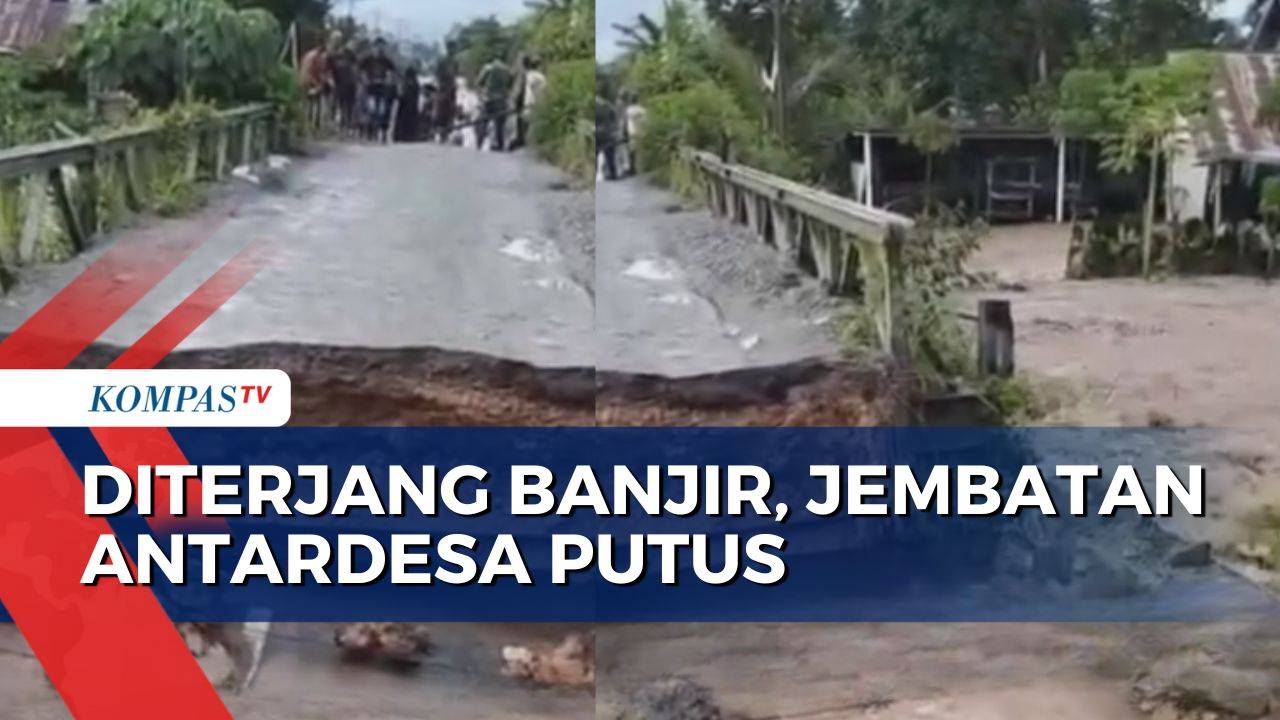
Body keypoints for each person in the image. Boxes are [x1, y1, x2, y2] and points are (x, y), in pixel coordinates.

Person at [359, 38, 398, 142]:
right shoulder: (367, 59)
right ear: (373, 47)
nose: (379, 49)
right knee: (371, 110)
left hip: (382, 88)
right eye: (377, 46)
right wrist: (366, 80)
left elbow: (392, 72)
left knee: (383, 110)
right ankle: (369, 132)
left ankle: (383, 132)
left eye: (381, 46)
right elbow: (361, 71)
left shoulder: (387, 61)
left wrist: (388, 80)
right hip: (370, 88)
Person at [476, 55, 513, 151]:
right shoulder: (507, 70)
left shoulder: (488, 67)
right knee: (500, 125)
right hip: (501, 100)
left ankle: (479, 144)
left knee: (483, 122)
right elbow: (510, 86)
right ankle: (500, 146)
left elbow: (479, 82)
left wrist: (481, 94)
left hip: (489, 99)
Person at [511, 55, 547, 151]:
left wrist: (516, 104)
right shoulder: (543, 78)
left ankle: (520, 143)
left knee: (522, 127)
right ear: (539, 66)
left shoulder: (526, 76)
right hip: (539, 106)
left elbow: (520, 91)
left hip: (526, 105)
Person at [299, 41, 331, 130]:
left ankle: (305, 124)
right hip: (310, 82)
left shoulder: (308, 54)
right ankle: (315, 125)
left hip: (303, 81)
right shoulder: (317, 57)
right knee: (316, 103)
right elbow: (315, 71)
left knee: (307, 103)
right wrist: (319, 84)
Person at [329, 41, 359, 135]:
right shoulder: (335, 57)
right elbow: (332, 71)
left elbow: (355, 71)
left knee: (347, 107)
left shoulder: (353, 59)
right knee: (341, 107)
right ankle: (341, 127)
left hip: (349, 86)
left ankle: (346, 127)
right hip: (341, 85)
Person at [433, 43, 460, 143]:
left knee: (451, 110)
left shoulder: (455, 61)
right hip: (443, 88)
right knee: (441, 110)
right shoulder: (442, 61)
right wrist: (442, 86)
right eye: (451, 48)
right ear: (448, 49)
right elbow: (438, 74)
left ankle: (446, 132)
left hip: (451, 89)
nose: (453, 50)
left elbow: (455, 74)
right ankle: (441, 133)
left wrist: (453, 85)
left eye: (454, 48)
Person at [622, 92, 648, 177]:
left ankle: (632, 168)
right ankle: (642, 168)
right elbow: (646, 122)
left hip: (632, 133)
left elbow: (625, 122)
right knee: (641, 152)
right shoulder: (643, 110)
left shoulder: (628, 110)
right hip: (642, 133)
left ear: (630, 100)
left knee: (632, 151)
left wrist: (624, 133)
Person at [394, 66, 421, 143]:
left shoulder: (411, 84)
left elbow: (403, 95)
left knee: (406, 122)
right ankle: (406, 136)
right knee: (407, 122)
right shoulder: (411, 84)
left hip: (408, 106)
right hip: (408, 106)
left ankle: (406, 136)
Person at [595, 94, 619, 181]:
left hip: (597, 132)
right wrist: (615, 131)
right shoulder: (608, 105)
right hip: (608, 133)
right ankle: (613, 174)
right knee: (610, 156)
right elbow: (614, 120)